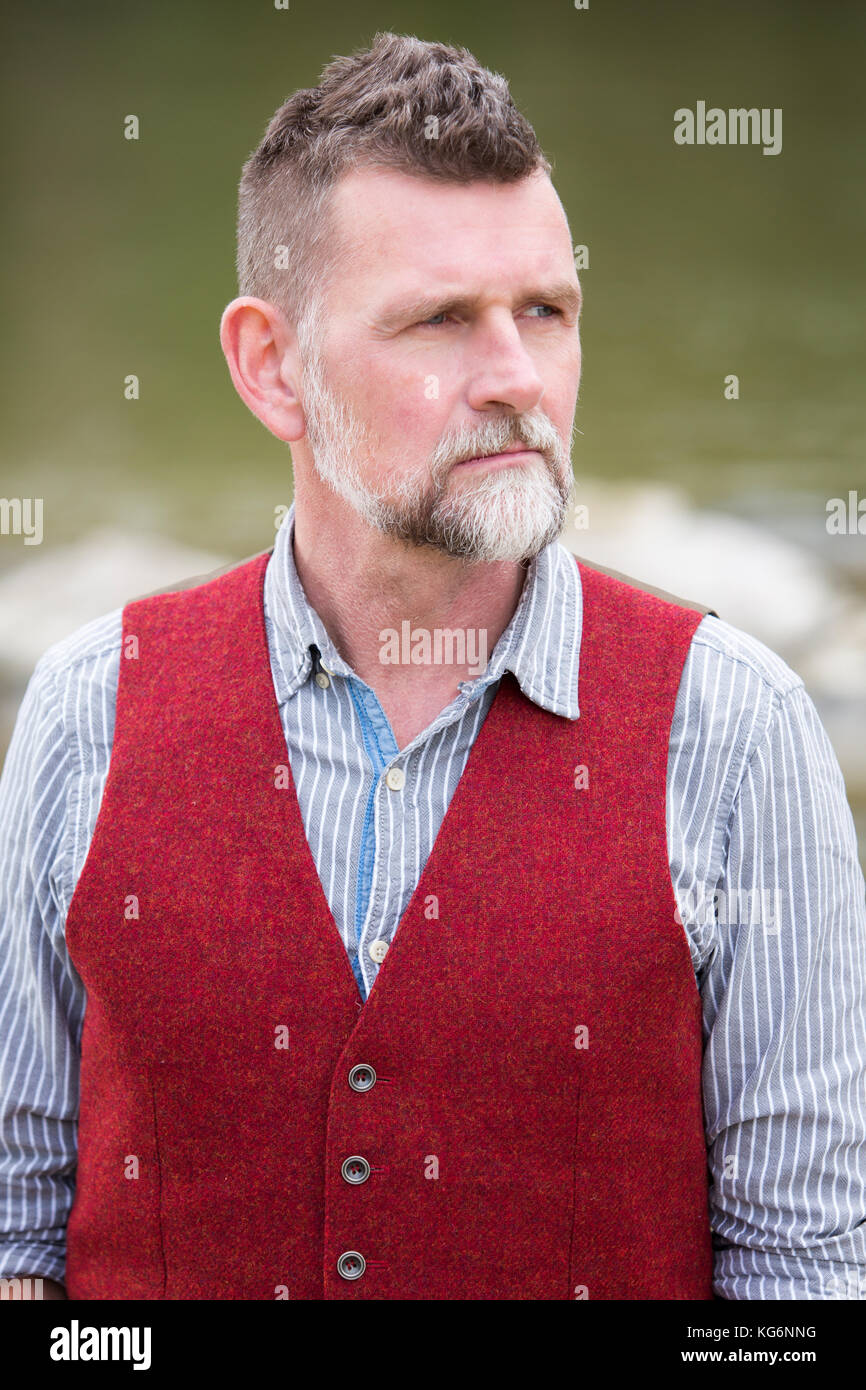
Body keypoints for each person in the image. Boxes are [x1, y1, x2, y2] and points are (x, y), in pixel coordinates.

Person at [1, 31, 865, 1302]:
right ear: (270, 365)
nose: (516, 377)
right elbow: (20, 1220)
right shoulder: (89, 712)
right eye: (440, 321)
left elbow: (802, 1271)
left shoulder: (736, 728)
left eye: (545, 311)